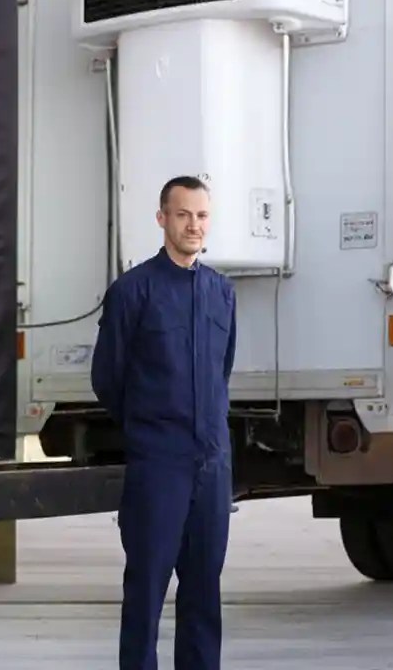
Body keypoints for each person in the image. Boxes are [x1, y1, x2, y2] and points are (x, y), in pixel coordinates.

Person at [90, 175, 238, 670]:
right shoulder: (132, 291)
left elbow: (222, 372)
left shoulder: (221, 292)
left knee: (203, 596)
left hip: (212, 468)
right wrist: (151, 431)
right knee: (147, 593)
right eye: (183, 215)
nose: (193, 225)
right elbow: (108, 379)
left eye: (201, 216)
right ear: (162, 219)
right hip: (159, 466)